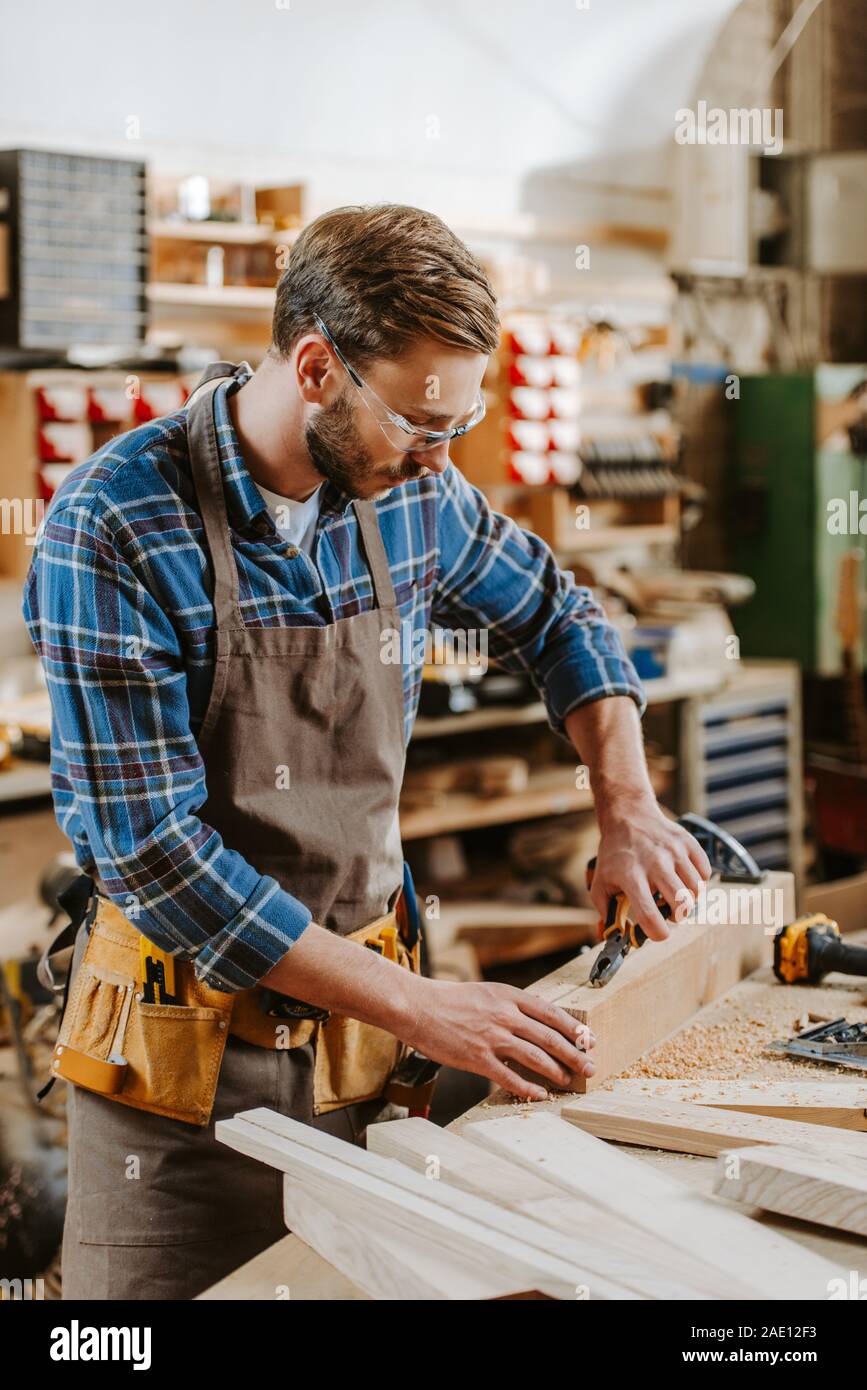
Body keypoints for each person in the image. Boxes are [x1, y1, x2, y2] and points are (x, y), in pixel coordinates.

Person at [24, 203, 710, 1299]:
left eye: (460, 423)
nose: (444, 456)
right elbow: (152, 851)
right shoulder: (115, 521)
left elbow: (562, 616)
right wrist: (427, 1007)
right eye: (419, 424)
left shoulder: (414, 498)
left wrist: (626, 804)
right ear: (315, 366)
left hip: (364, 1056)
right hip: (180, 1071)